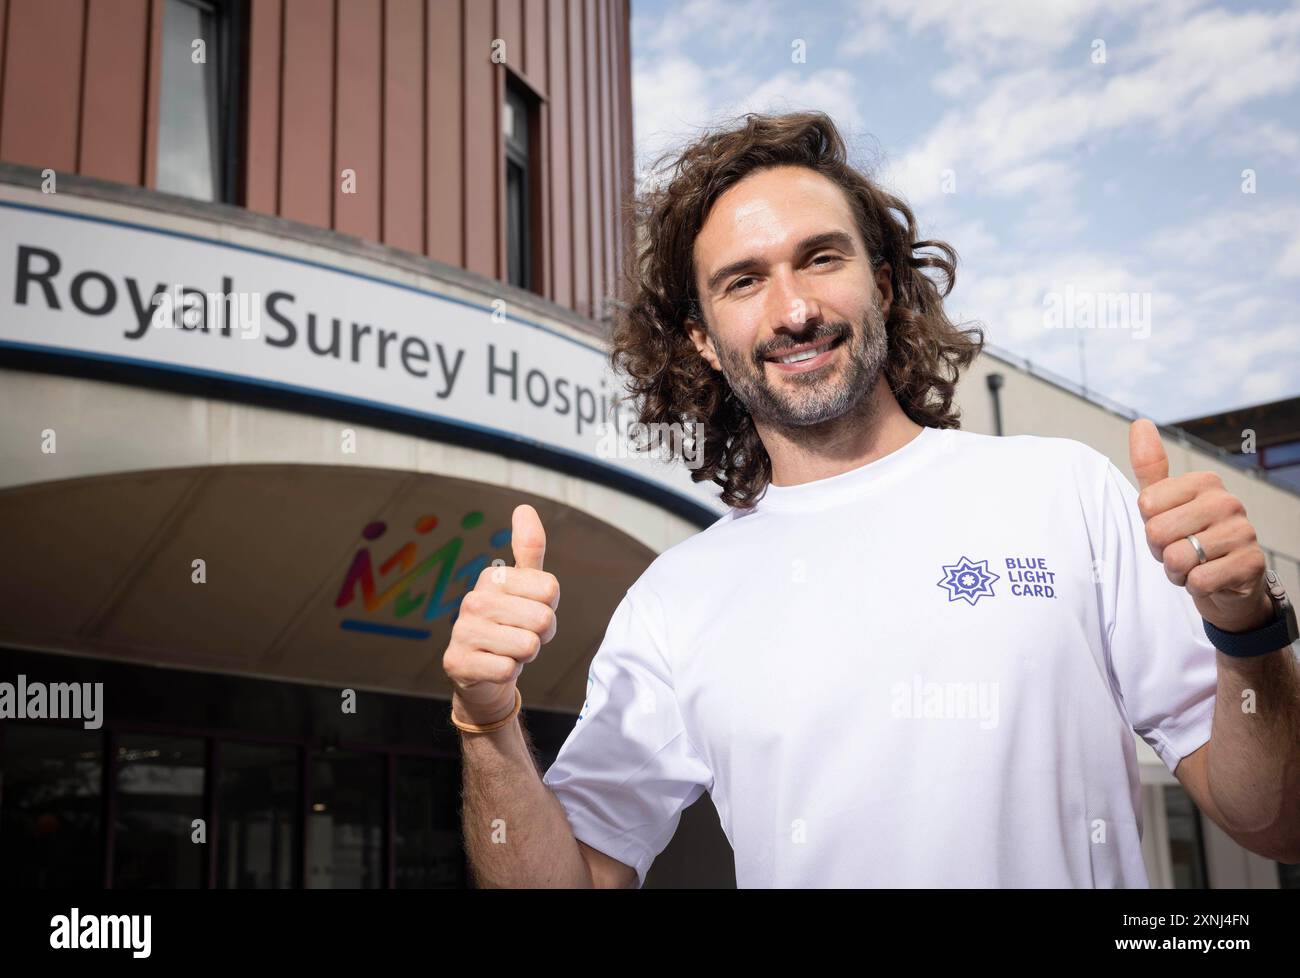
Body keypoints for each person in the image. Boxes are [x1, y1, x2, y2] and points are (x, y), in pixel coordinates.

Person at [442, 110, 1300, 888]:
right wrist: (486, 722)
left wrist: (1245, 627)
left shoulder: (1065, 491)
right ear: (702, 341)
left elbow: (1275, 822)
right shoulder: (674, 603)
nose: (796, 309)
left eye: (821, 258)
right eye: (744, 282)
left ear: (884, 284)